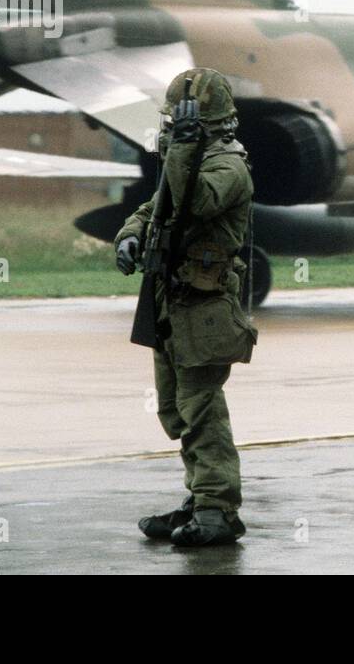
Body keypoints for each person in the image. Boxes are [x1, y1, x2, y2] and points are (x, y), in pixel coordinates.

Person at [115, 67, 256, 547]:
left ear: (205, 125)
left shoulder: (227, 167)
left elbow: (194, 204)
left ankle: (218, 510)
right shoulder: (190, 161)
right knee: (177, 409)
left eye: (178, 123)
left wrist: (183, 151)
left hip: (204, 306)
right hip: (170, 301)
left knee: (202, 410)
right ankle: (200, 501)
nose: (170, 130)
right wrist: (130, 236)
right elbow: (155, 207)